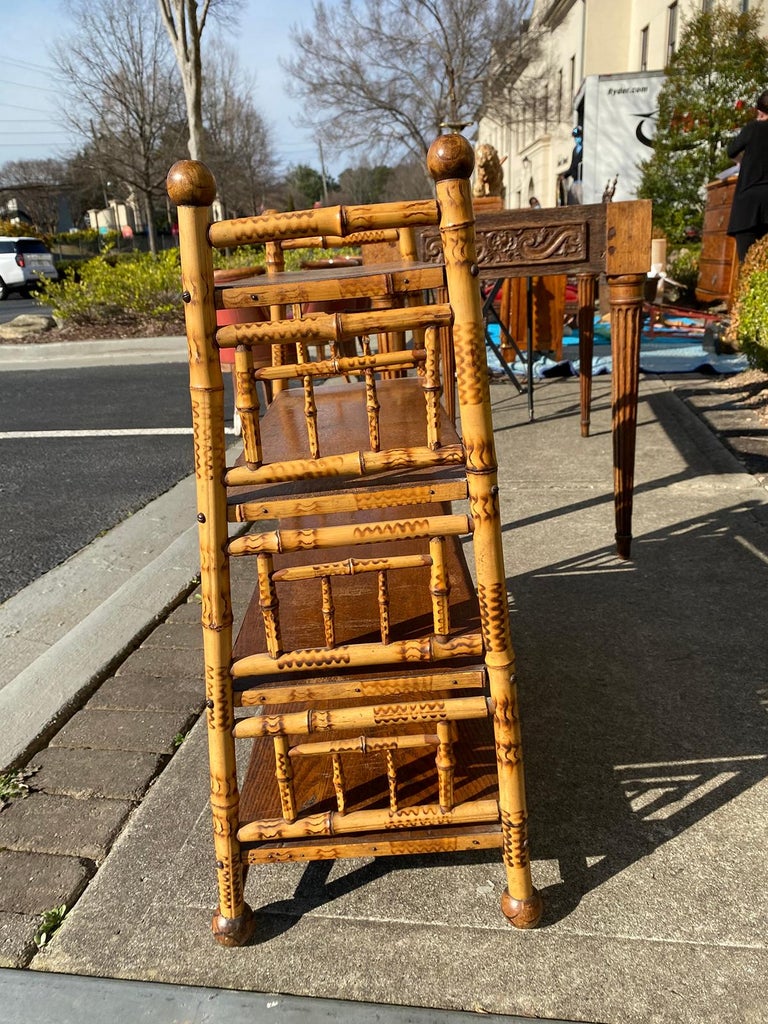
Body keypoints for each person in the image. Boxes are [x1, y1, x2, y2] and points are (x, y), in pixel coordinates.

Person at [727, 90, 768, 262]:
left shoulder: (752, 129)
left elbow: (731, 151)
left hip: (748, 207)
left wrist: (743, 162)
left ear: (760, 112)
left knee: (747, 262)